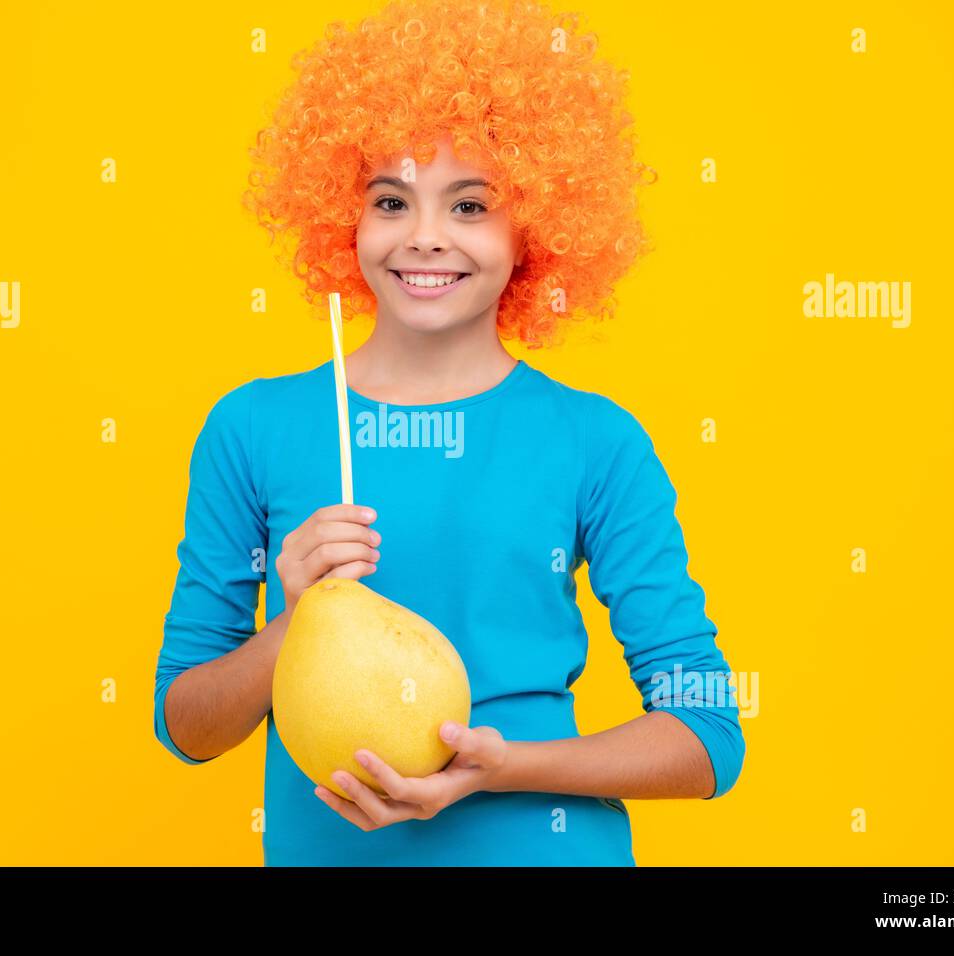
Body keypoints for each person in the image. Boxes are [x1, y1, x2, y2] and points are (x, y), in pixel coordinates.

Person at [154, 0, 745, 866]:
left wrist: (503, 768)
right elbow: (187, 727)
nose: (425, 237)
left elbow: (706, 736)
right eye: (391, 200)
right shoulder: (253, 428)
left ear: (532, 226)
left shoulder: (596, 441)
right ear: (344, 221)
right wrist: (299, 619)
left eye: (470, 206)